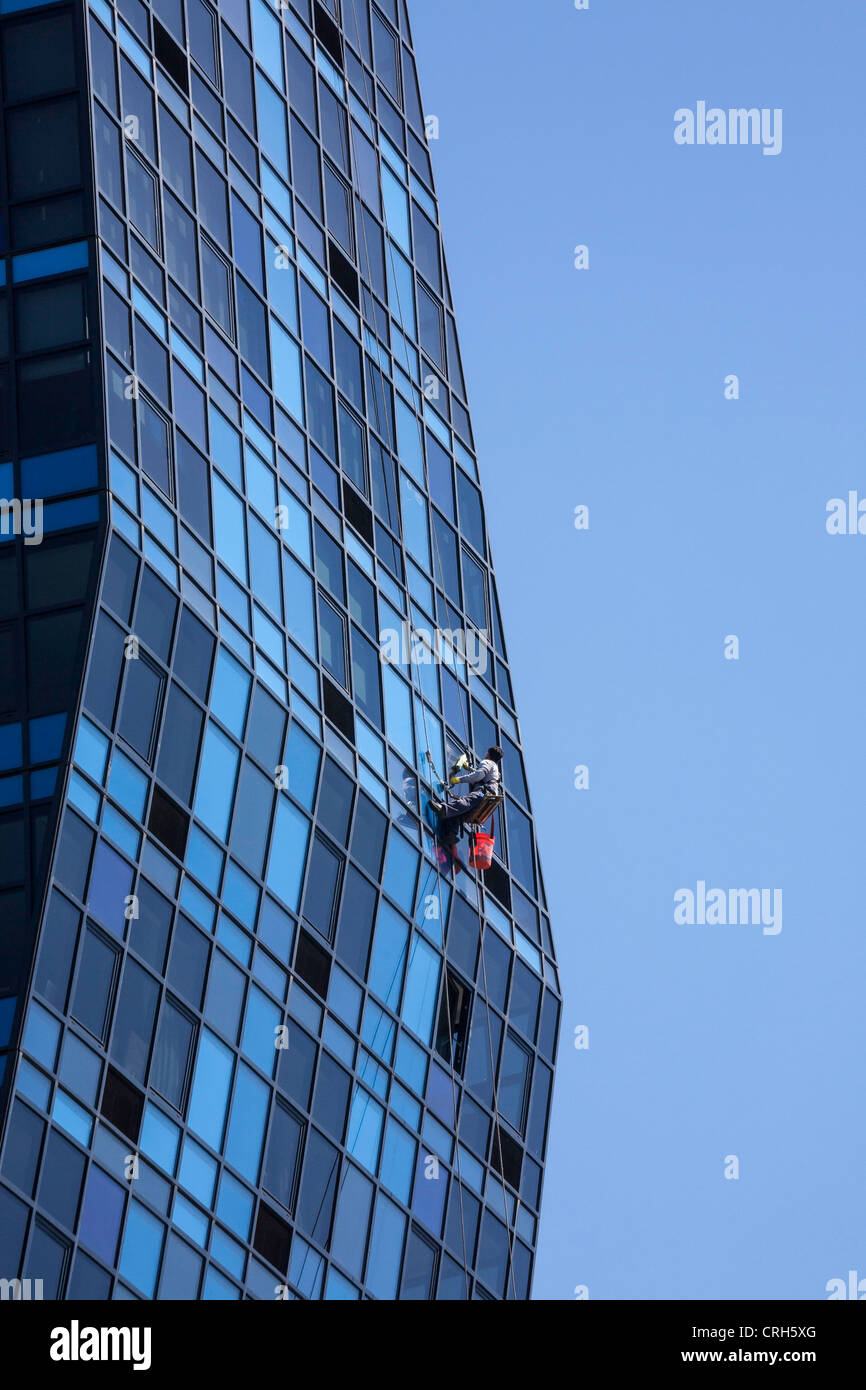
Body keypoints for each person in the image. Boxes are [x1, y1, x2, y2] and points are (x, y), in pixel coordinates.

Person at [430, 746, 504, 832]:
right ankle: (449, 837)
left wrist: (458, 780)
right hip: (485, 802)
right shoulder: (494, 768)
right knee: (458, 815)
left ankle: (443, 809)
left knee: (466, 801)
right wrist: (468, 768)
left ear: (488, 754)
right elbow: (482, 774)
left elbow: (478, 775)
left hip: (484, 793)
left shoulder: (488, 762)